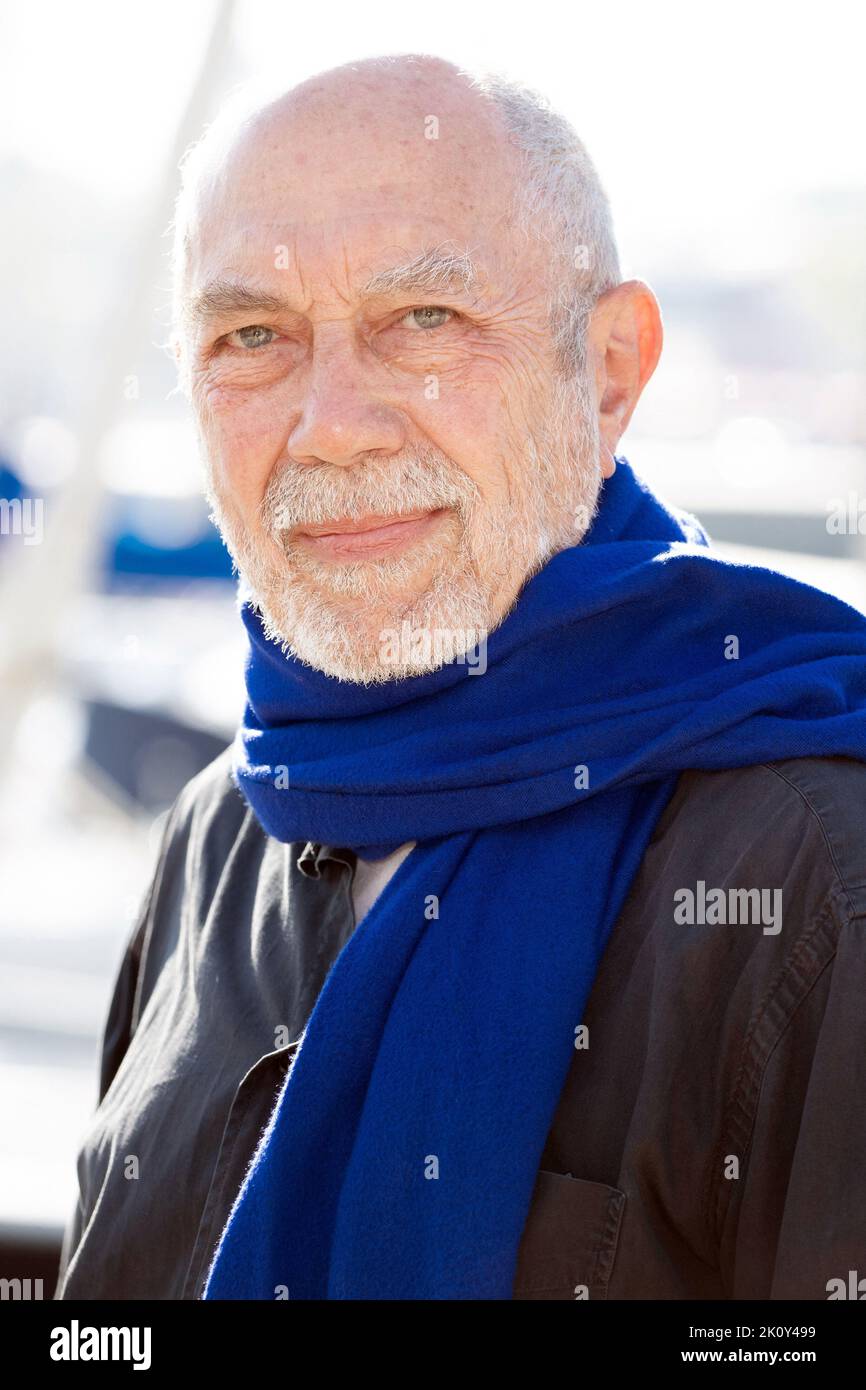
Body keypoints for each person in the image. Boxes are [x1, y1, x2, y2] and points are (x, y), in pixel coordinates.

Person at [56, 54, 866, 1301]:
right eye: (252, 335)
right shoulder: (215, 836)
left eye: (422, 322)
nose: (332, 422)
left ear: (605, 371)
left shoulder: (813, 874)